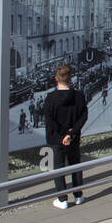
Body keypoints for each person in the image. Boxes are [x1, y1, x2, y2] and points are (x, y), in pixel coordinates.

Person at [44, 64, 88, 209]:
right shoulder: (79, 96)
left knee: (58, 167)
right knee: (75, 165)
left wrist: (63, 135)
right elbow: (83, 116)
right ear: (70, 78)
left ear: (56, 79)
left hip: (56, 139)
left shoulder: (51, 98)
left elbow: (50, 120)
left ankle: (62, 199)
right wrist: (71, 133)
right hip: (73, 138)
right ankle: (78, 195)